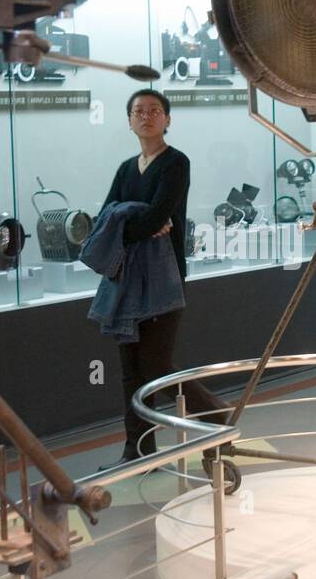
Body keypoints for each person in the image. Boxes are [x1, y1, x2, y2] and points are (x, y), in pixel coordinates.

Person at [96, 88, 230, 467]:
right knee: (130, 370)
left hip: (163, 277)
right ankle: (137, 449)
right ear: (129, 121)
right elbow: (108, 216)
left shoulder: (176, 163)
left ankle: (214, 412)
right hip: (127, 278)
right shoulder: (126, 168)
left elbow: (156, 218)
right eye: (138, 111)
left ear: (168, 119)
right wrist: (129, 217)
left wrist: (126, 218)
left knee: (155, 365)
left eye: (155, 110)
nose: (147, 116)